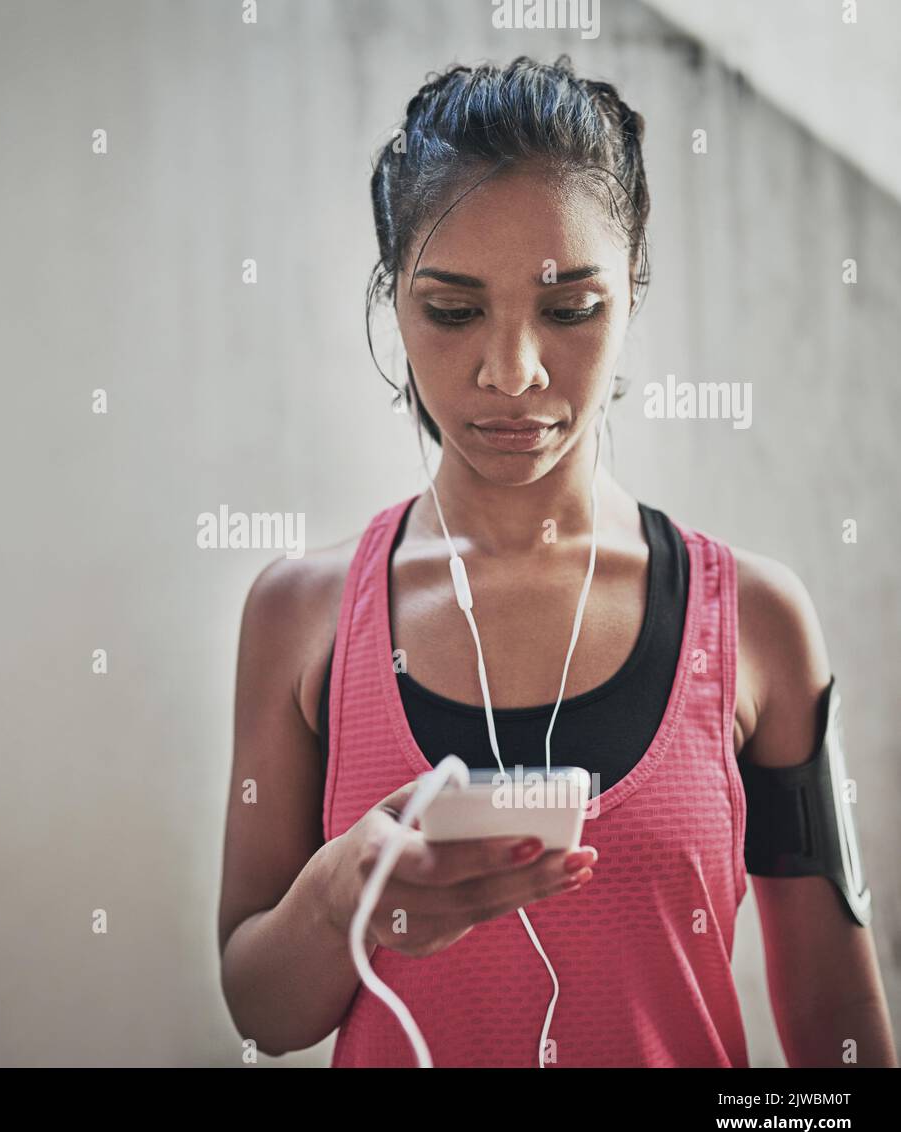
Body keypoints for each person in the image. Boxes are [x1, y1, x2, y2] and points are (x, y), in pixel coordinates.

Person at [216, 56, 897, 1067]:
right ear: (393, 301)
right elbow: (261, 1011)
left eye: (570, 308)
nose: (512, 371)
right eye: (451, 311)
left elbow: (838, 1053)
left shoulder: (753, 620)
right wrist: (337, 898)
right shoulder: (302, 615)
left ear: (630, 296)